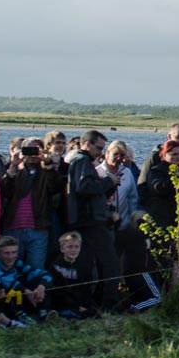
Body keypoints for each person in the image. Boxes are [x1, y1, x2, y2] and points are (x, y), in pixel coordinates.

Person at [68, 130, 120, 310]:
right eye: (98, 148)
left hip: (87, 220)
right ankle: (108, 304)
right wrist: (108, 182)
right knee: (109, 263)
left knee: (90, 264)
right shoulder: (82, 161)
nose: (100, 153)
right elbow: (83, 186)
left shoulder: (79, 161)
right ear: (87, 144)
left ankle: (92, 303)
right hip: (91, 221)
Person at [0, 140, 63, 270]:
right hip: (13, 227)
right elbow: (4, 191)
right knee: (11, 269)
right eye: (29, 150)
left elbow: (56, 187)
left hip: (38, 228)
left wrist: (48, 164)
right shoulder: (15, 170)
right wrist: (13, 166)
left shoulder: (46, 172)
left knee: (35, 269)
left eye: (37, 150)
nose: (33, 155)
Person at [0, 235, 52, 324]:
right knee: (8, 289)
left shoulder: (19, 264)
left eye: (14, 252)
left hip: (22, 299)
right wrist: (25, 290)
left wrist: (41, 286)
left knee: (40, 280)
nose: (11, 257)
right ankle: (19, 316)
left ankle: (43, 312)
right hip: (2, 303)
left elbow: (45, 274)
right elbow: (6, 281)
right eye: (6, 253)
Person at [46, 231, 99, 319]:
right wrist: (77, 306)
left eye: (76, 247)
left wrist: (85, 305)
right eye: (70, 247)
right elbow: (58, 291)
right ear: (62, 249)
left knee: (94, 313)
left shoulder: (83, 267)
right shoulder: (56, 266)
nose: (73, 250)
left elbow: (86, 288)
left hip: (79, 301)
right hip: (62, 301)